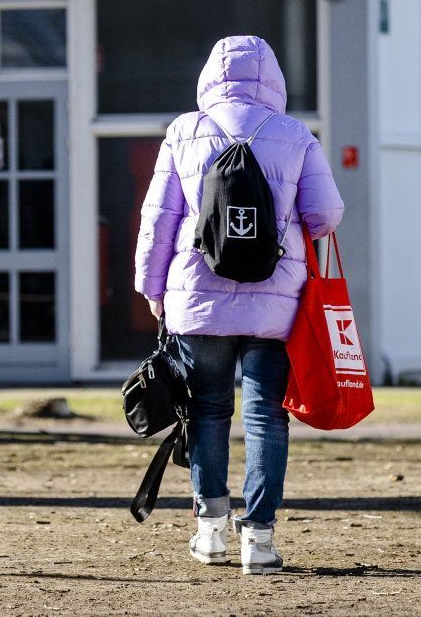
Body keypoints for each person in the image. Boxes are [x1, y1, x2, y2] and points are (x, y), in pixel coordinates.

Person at [134, 35, 344, 575]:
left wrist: (153, 290)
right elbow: (323, 215)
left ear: (210, 77)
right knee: (266, 416)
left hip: (197, 299)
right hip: (275, 304)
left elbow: (158, 221)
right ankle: (260, 539)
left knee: (206, 410)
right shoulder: (295, 134)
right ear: (272, 78)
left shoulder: (184, 131)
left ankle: (210, 531)